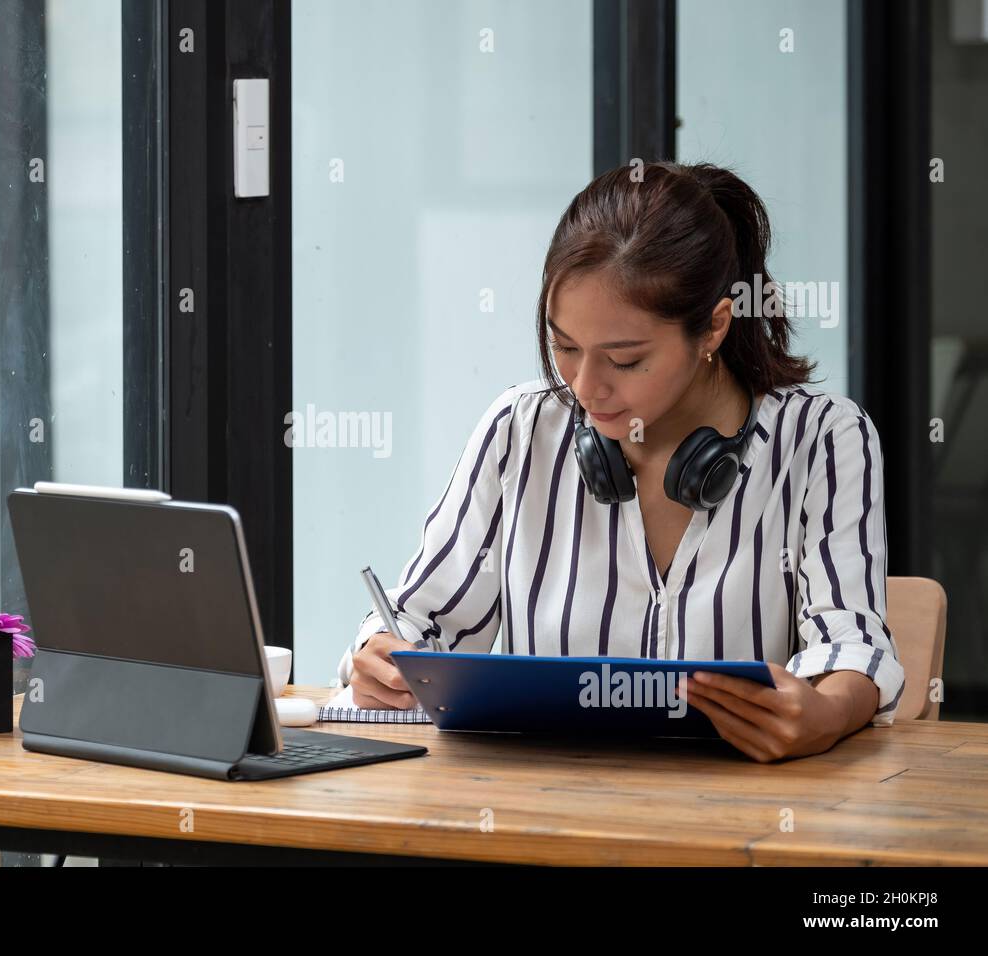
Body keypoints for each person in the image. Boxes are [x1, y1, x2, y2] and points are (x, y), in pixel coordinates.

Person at [336, 161, 904, 762]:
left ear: (712, 327)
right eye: (565, 347)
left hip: (742, 825)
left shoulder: (821, 437)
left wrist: (830, 711)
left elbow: (850, 640)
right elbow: (421, 623)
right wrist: (380, 657)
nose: (584, 387)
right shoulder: (521, 430)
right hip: (542, 821)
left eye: (625, 360)